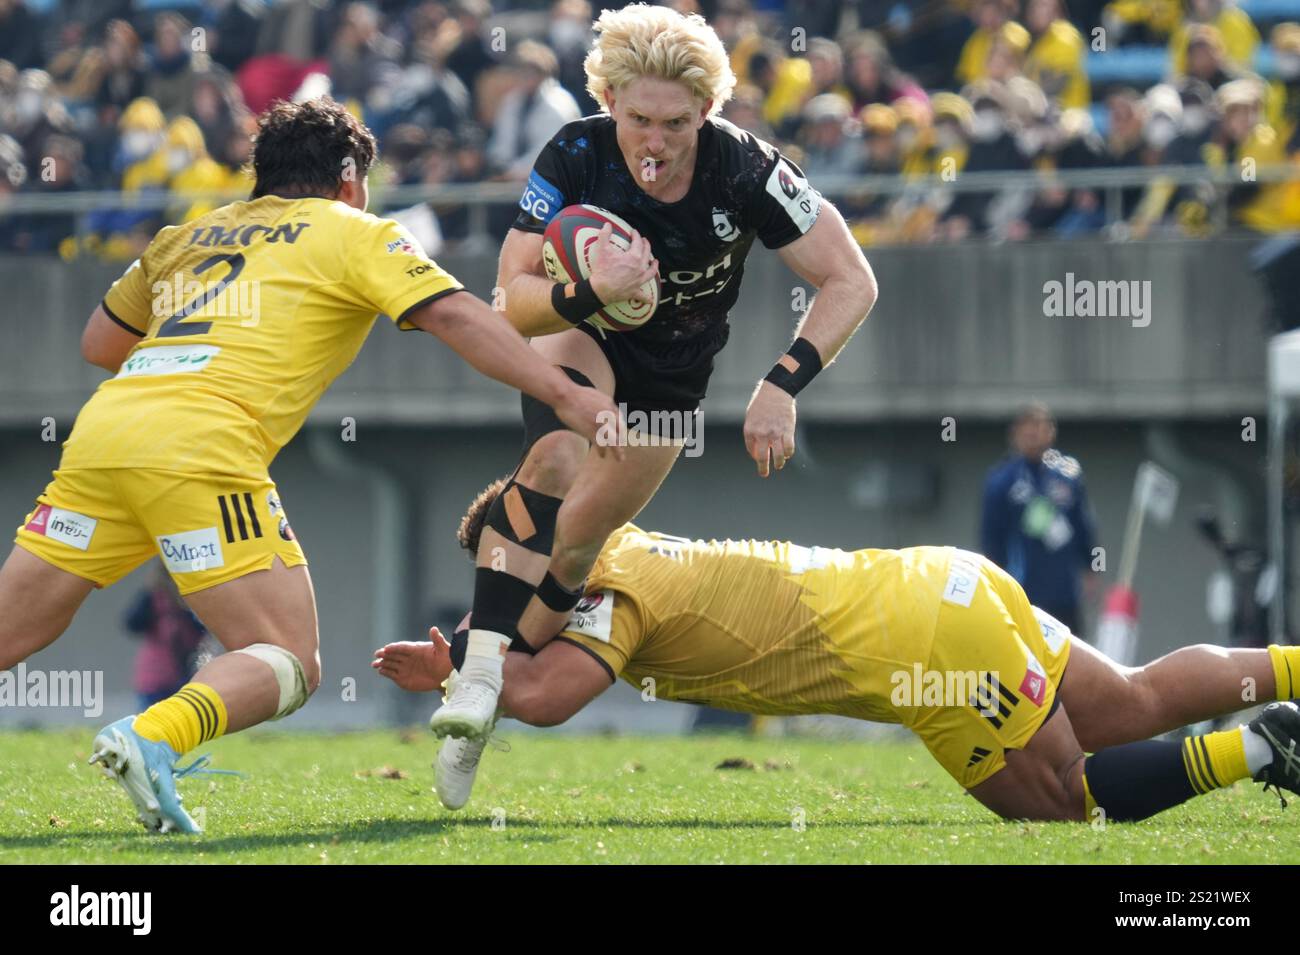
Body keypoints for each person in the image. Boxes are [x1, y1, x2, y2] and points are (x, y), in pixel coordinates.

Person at [0, 97, 618, 835]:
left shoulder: (188, 232)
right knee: (289, 658)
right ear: (351, 177)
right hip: (202, 446)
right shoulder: (352, 229)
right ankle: (152, 737)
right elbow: (453, 314)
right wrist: (561, 392)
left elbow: (100, 341)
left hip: (106, 433)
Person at [429, 4, 879, 777]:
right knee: (558, 458)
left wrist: (783, 382)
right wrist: (589, 291)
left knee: (575, 545)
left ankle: (484, 679)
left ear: (707, 111)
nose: (656, 142)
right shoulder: (575, 151)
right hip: (583, 334)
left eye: (676, 123)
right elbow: (511, 298)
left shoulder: (747, 170)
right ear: (609, 102)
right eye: (639, 119)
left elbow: (851, 279)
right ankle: (473, 681)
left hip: (672, 383)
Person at [375, 478, 1300, 820]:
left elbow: (543, 698)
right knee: (1133, 700)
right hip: (950, 581)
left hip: (924, 646)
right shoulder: (619, 544)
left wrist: (462, 665)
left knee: (1059, 802)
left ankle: (1262, 744)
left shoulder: (603, 589)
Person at [980, 402, 1096, 634]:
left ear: (1051, 431)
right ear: (1015, 435)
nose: (1033, 434)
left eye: (1040, 426)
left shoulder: (1067, 474)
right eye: (1027, 428)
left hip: (1064, 590)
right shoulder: (1002, 480)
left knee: (1069, 650)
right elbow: (991, 536)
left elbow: (1083, 524)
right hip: (1022, 589)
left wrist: (1090, 567)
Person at [124, 561, 211, 710]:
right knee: (149, 723)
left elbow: (205, 627)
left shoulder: (194, 599)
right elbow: (132, 624)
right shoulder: (152, 599)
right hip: (156, 676)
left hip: (189, 674)